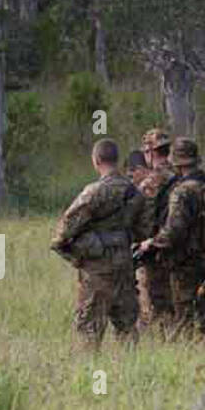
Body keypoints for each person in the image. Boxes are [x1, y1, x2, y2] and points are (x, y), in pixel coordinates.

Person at [51, 139, 154, 348]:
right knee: (127, 330)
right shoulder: (135, 193)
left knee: (89, 331)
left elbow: (63, 231)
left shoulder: (95, 192)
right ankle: (130, 375)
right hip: (124, 269)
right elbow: (144, 231)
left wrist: (77, 254)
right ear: (117, 160)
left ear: (96, 161)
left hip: (96, 272)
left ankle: (90, 376)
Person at [137, 137, 205, 340]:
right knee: (201, 312)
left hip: (185, 263)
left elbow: (174, 230)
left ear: (176, 162)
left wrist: (151, 243)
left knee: (185, 319)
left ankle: (193, 355)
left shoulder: (182, 192)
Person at [134, 132, 178, 336]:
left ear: (150, 152)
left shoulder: (150, 183)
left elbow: (142, 219)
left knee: (154, 310)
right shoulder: (184, 175)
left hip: (155, 252)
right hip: (184, 251)